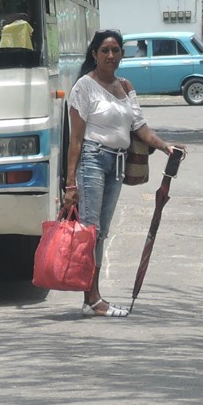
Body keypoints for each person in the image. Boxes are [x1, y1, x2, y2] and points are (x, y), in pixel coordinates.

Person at [62, 29, 185, 317]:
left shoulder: (126, 86)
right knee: (92, 232)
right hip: (92, 161)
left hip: (117, 164)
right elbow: (76, 140)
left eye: (116, 50)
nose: (110, 55)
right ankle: (92, 299)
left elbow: (139, 127)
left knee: (101, 232)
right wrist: (70, 184)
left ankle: (93, 297)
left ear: (122, 55)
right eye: (104, 50)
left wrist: (166, 146)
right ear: (94, 54)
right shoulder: (84, 87)